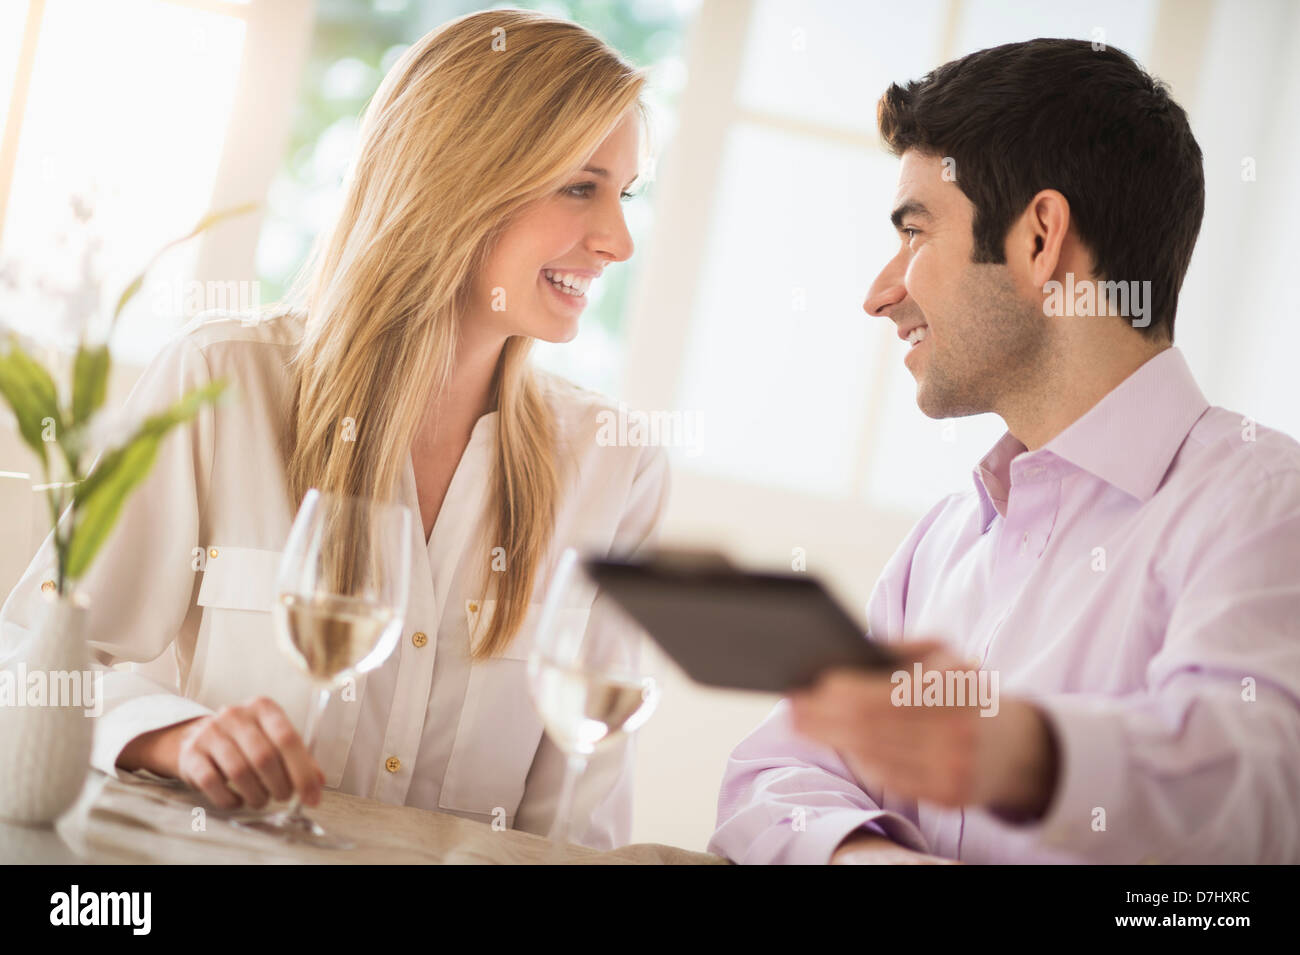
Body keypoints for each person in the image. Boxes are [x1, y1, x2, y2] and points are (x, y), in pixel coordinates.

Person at [0, 9, 666, 851]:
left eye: (626, 193)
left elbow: (580, 819)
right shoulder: (222, 381)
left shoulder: (616, 465)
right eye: (581, 185)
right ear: (458, 176)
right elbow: (27, 667)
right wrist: (168, 734)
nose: (618, 239)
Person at [709, 37, 1300, 864]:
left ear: (1038, 239)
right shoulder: (941, 544)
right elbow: (773, 774)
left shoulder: (1267, 505)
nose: (880, 292)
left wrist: (1027, 751)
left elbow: (1259, 788)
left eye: (916, 231)